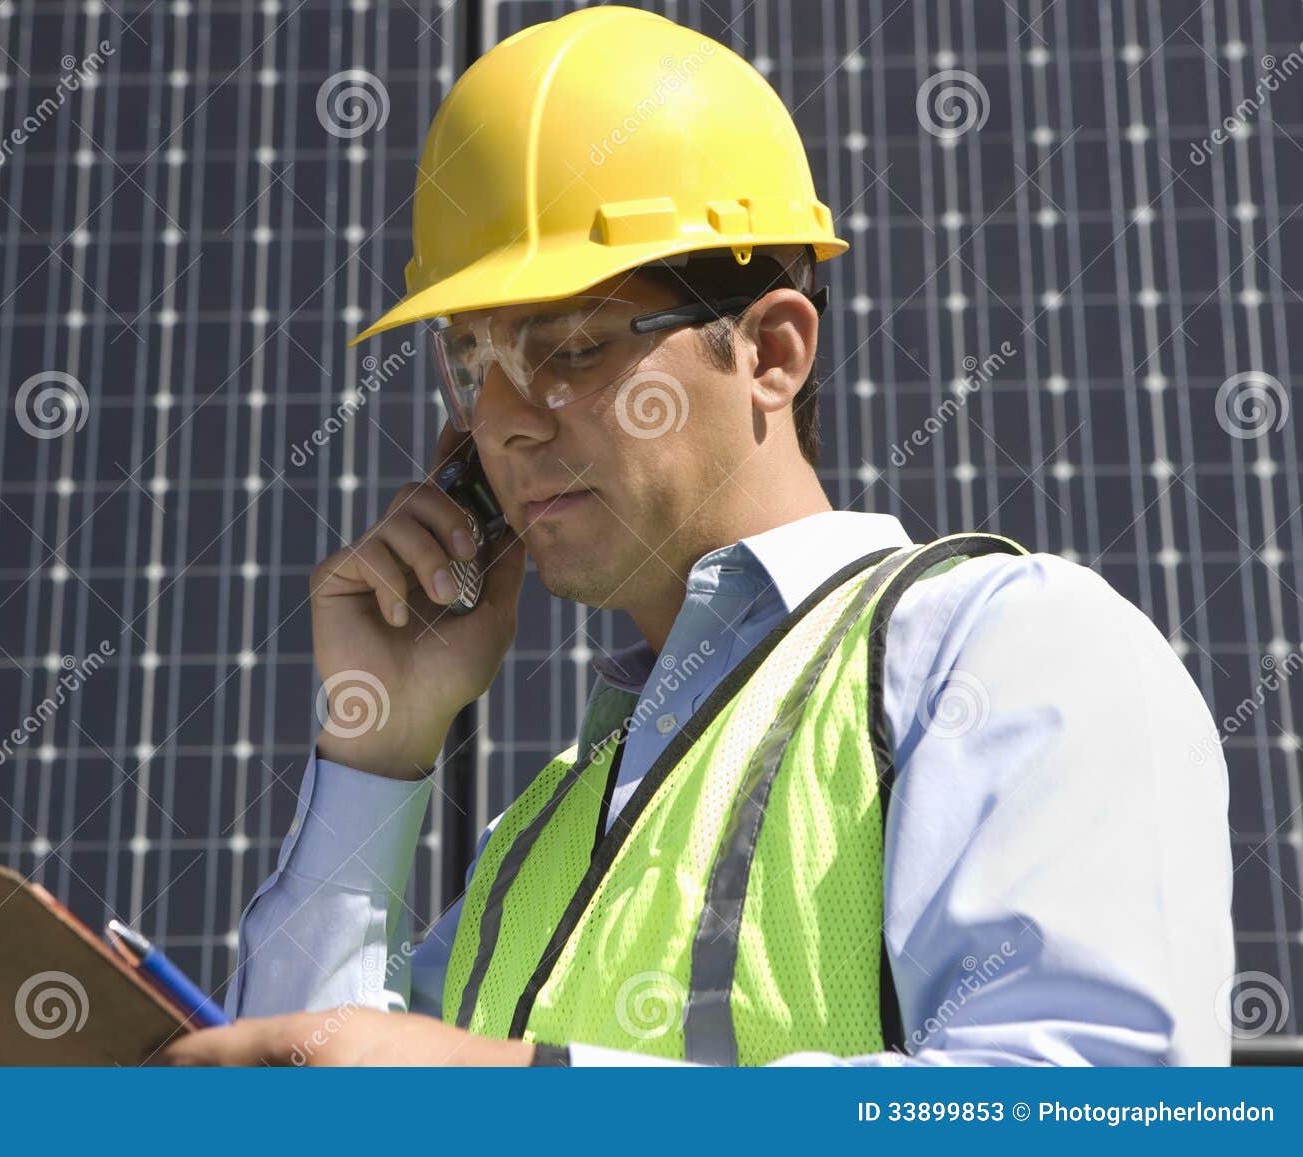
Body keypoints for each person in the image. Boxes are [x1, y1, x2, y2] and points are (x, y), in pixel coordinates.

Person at [165, 6, 1232, 1067]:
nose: (501, 422)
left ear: (771, 352)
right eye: (472, 366)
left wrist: (513, 1091)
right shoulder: (532, 848)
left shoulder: (1010, 651)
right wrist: (378, 748)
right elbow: (286, 1110)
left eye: (568, 348)